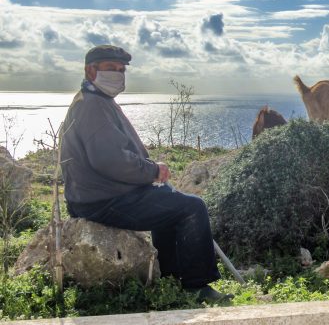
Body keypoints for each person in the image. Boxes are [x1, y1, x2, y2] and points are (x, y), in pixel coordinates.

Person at [60, 45, 231, 302]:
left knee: (171, 205)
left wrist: (149, 172)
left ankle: (172, 278)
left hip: (102, 193)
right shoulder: (92, 106)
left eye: (121, 70)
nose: (118, 75)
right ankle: (197, 286)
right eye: (111, 69)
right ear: (90, 70)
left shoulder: (96, 100)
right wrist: (152, 170)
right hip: (101, 200)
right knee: (193, 207)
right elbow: (110, 161)